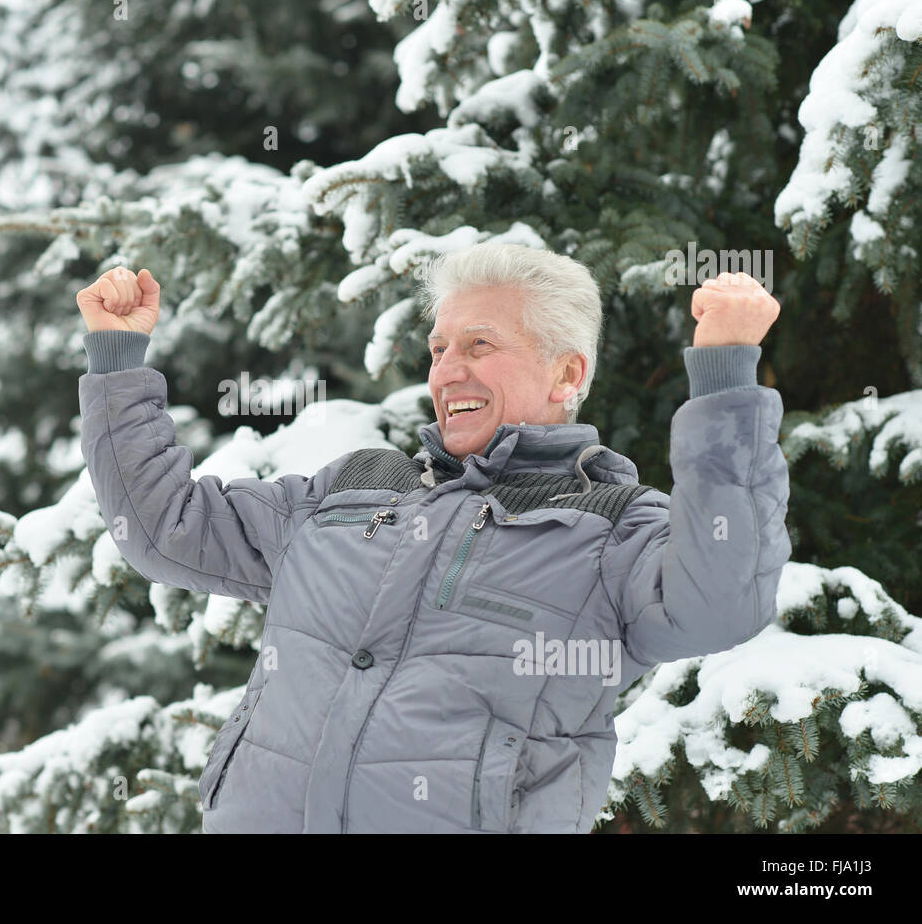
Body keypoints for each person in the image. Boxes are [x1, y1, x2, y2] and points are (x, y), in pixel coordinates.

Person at [75, 242, 789, 833]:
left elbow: (720, 604)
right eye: (439, 347)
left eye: (479, 344)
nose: (447, 370)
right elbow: (164, 527)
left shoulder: (612, 528)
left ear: (566, 372)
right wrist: (117, 362)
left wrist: (726, 384)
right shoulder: (354, 484)